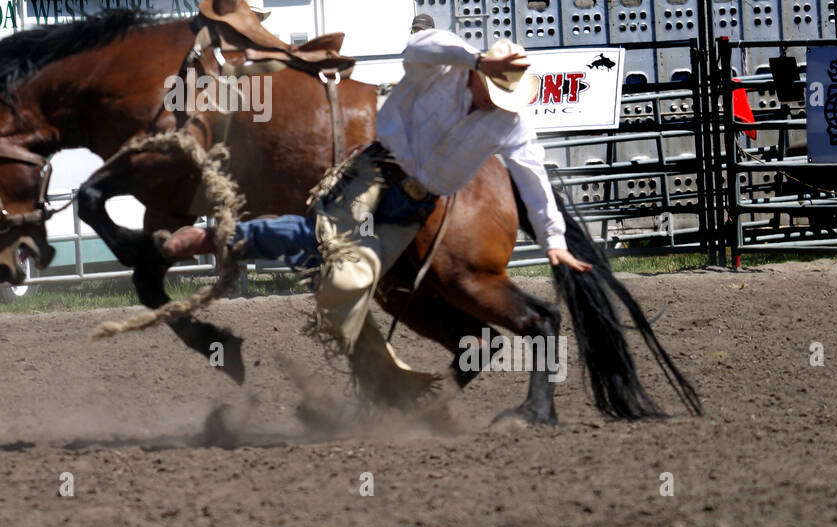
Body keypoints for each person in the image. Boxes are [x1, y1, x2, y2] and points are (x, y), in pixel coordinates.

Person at [161, 29, 592, 404]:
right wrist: (474, 57)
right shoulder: (441, 72)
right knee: (326, 243)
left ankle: (388, 379)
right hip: (375, 169)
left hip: (413, 203)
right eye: (490, 91)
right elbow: (420, 44)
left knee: (353, 279)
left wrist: (554, 241)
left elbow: (532, 176)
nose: (492, 104)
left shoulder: (510, 122)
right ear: (477, 73)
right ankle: (218, 237)